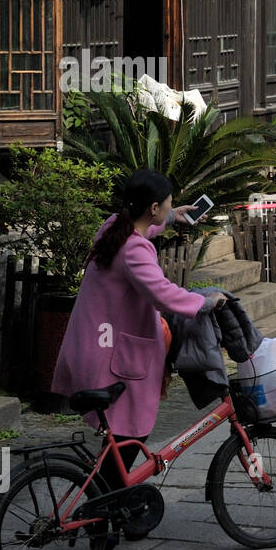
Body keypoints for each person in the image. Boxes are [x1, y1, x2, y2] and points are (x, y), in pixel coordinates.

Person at [51, 170, 222, 497]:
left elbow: (148, 224)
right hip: (111, 358)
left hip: (92, 346)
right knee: (131, 435)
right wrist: (204, 302)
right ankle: (104, 512)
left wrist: (173, 216)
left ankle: (109, 509)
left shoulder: (115, 225)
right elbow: (162, 293)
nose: (171, 205)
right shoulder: (135, 250)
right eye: (168, 202)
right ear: (152, 207)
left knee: (122, 441)